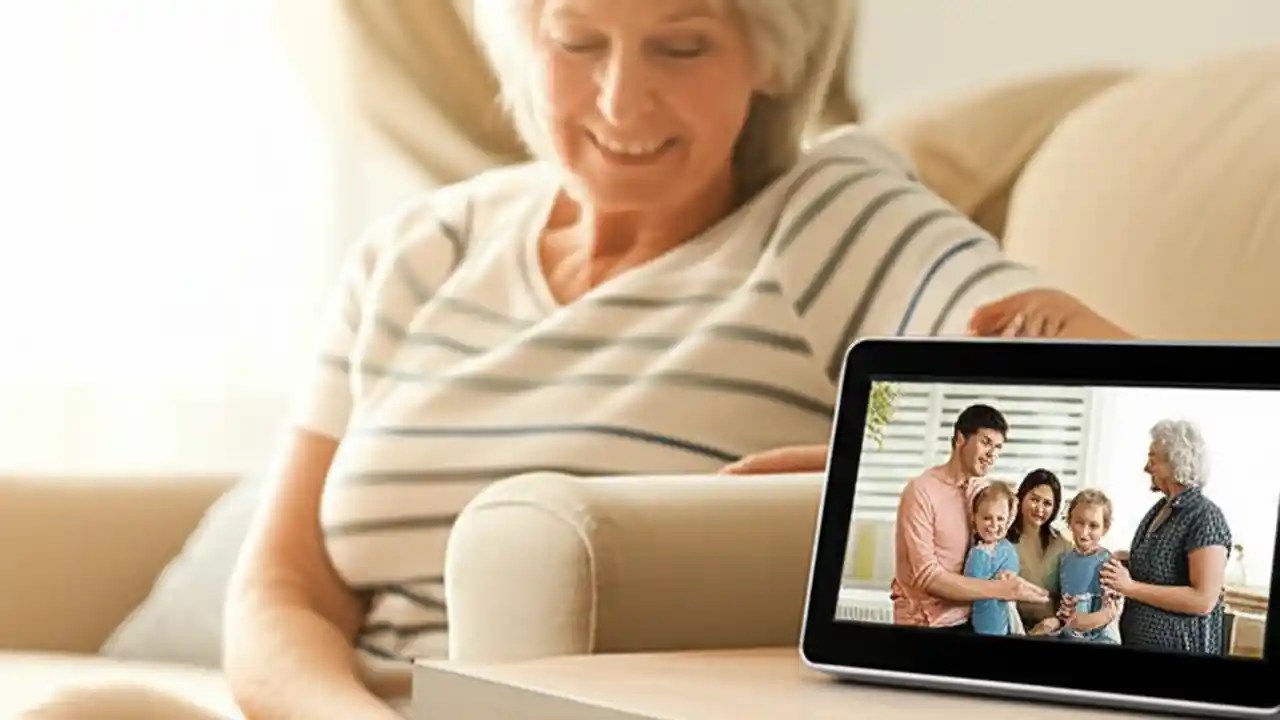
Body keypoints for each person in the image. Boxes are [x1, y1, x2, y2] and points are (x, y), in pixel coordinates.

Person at [21, 1, 1129, 718]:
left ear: (767, 54)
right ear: (521, 44)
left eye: (680, 46)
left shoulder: (824, 213)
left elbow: (1095, 390)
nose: (619, 101)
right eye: (577, 41)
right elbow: (281, 587)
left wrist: (868, 482)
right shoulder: (419, 249)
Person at [890, 404, 1047, 630]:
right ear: (960, 439)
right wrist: (1005, 590)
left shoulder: (981, 490)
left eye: (998, 448)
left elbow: (1002, 525)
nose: (992, 455)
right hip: (925, 624)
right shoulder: (920, 492)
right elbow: (928, 578)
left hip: (970, 618)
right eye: (986, 443)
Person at [1101, 419, 1233, 655]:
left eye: (1152, 459)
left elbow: (1202, 599)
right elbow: (1170, 566)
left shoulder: (1205, 516)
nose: (1146, 468)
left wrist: (1130, 587)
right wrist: (1131, 559)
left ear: (1175, 461)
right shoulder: (1162, 508)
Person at [1030, 489, 1122, 643]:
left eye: (1093, 526)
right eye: (1079, 523)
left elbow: (1110, 613)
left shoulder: (1108, 564)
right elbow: (1066, 609)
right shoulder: (1066, 560)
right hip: (1071, 635)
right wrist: (1055, 622)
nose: (1084, 532)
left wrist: (1078, 623)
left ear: (1105, 528)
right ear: (1070, 522)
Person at [1005, 469, 1074, 629]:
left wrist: (1057, 621)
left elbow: (1069, 595)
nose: (1040, 509)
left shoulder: (1062, 544)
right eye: (1035, 499)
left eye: (1047, 503)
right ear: (1021, 497)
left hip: (1050, 629)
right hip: (1010, 627)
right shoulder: (1003, 540)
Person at [963, 482, 1022, 636]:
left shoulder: (1007, 548)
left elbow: (1013, 571)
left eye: (1000, 519)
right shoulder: (977, 552)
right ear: (974, 519)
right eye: (987, 518)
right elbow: (969, 585)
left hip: (1005, 620)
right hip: (984, 622)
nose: (994, 525)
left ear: (1009, 520)